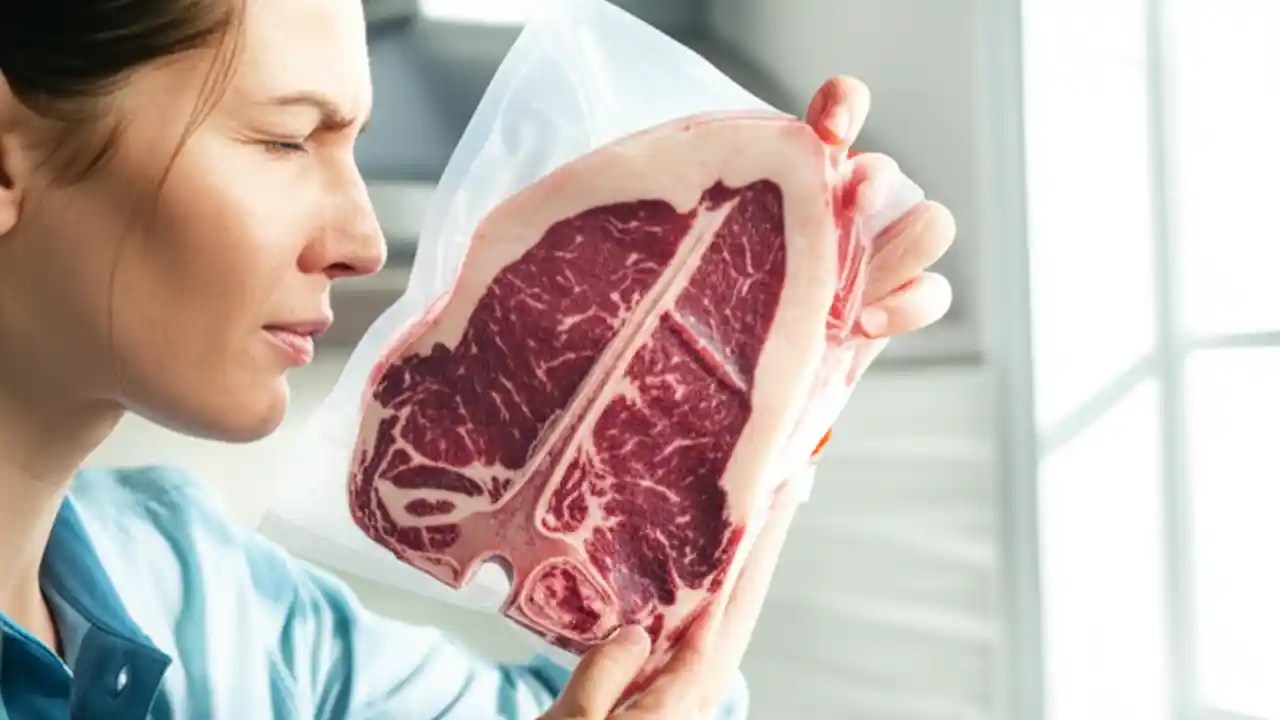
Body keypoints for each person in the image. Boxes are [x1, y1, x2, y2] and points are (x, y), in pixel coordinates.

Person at [0, 0, 956, 717]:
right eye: (287, 140)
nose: (364, 243)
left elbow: (604, 701)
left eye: (353, 149)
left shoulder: (204, 594)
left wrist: (760, 374)